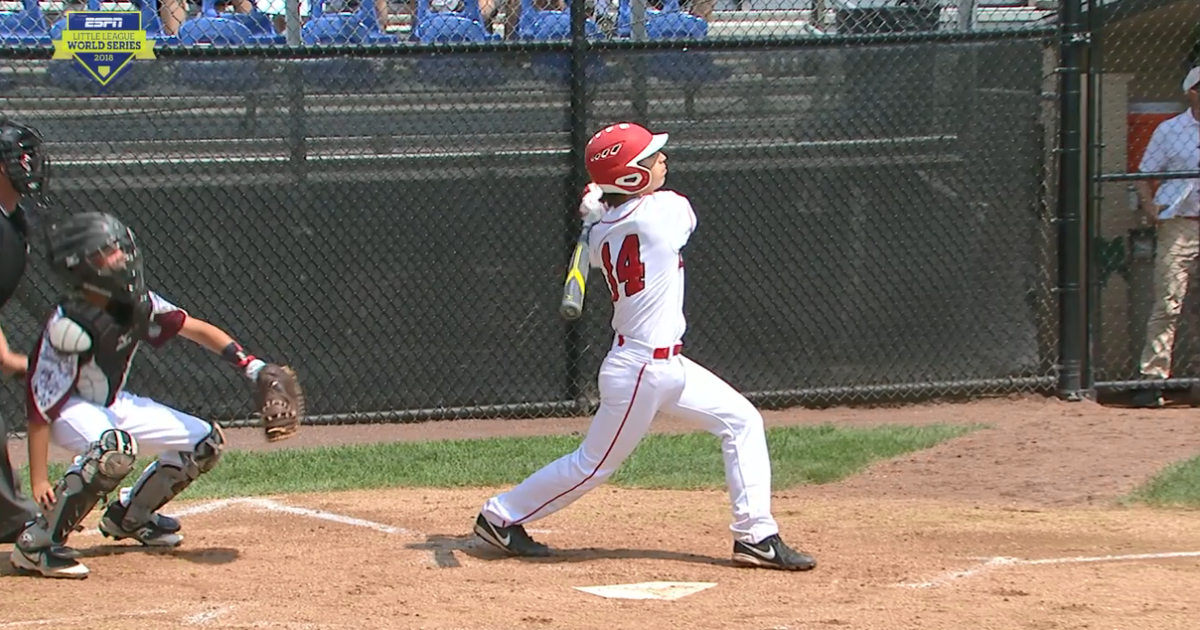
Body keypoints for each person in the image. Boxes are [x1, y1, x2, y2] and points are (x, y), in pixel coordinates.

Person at [472, 122, 817, 571]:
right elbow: (662, 215)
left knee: (742, 421)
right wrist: (602, 207)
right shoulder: (664, 212)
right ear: (631, 176)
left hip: (665, 365)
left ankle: (756, 537)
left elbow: (610, 229)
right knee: (593, 465)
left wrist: (596, 213)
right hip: (640, 370)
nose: (662, 161)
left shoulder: (598, 235)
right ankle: (501, 516)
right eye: (651, 158)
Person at [10, 211, 283, 579]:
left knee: (206, 442)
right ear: (82, 267)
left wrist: (252, 366)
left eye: (120, 247)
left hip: (112, 404)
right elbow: (39, 402)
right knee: (114, 449)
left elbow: (195, 328)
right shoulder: (68, 322)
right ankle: (38, 544)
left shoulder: (136, 301)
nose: (121, 256)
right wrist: (39, 478)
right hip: (67, 411)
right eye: (107, 252)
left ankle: (130, 517)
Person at [1131, 66, 1200, 409]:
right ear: (1192, 92)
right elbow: (1145, 174)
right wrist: (1149, 207)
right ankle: (1153, 378)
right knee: (1168, 302)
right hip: (1179, 223)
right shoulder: (1170, 130)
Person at [0, 117, 49, 545]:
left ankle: (7, 516)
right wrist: (10, 360)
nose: (26, 164)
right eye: (16, 157)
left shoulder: (14, 219)